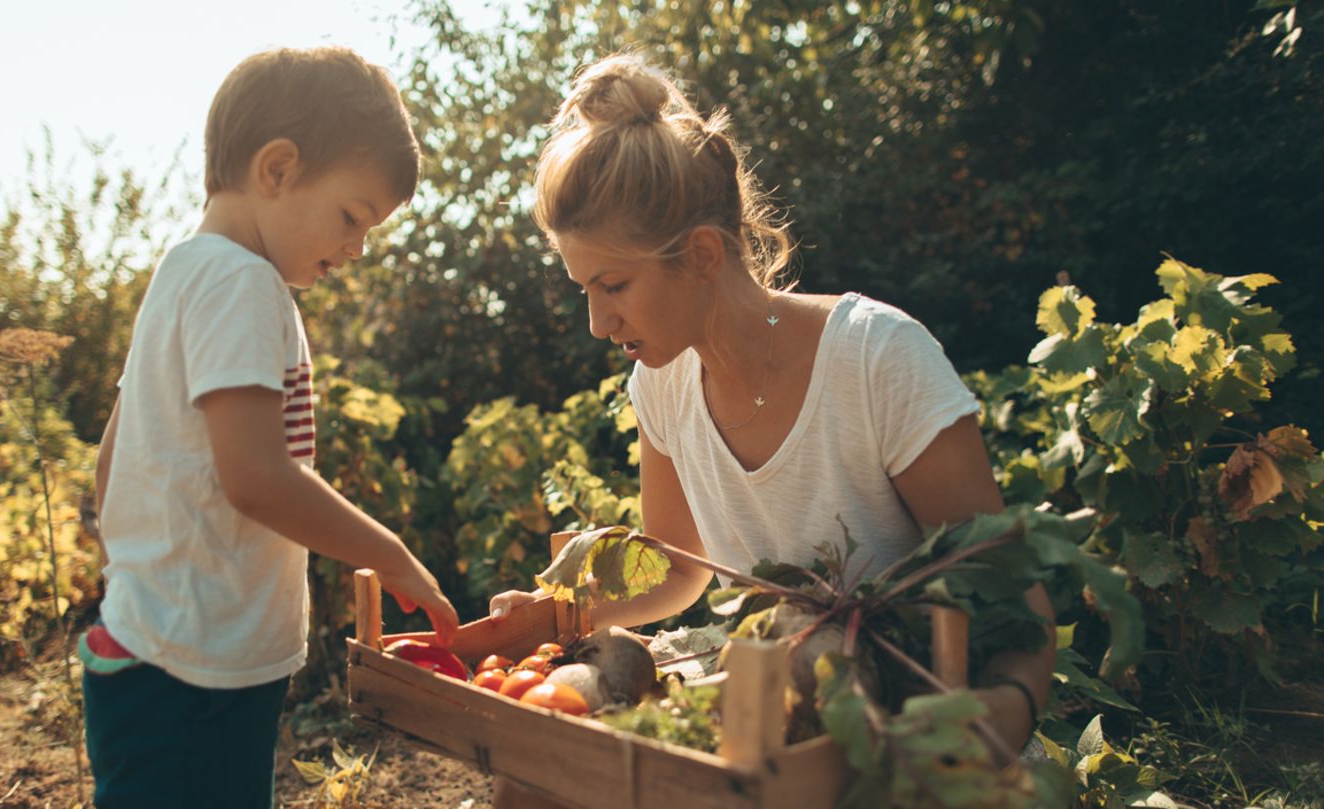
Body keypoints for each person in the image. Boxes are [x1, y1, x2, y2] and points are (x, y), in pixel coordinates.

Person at [489, 54, 1055, 807]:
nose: (597, 322)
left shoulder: (877, 359)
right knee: (529, 782)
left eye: (612, 285)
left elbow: (1015, 598)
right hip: (775, 717)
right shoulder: (660, 384)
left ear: (702, 255)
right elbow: (680, 571)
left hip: (915, 733)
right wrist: (563, 611)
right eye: (584, 290)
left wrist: (997, 722)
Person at [85, 47, 459, 809]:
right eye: (352, 216)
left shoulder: (182, 271)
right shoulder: (243, 283)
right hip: (195, 673)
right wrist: (388, 553)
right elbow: (256, 475)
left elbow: (111, 461)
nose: (357, 248)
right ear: (278, 169)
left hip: (151, 648)